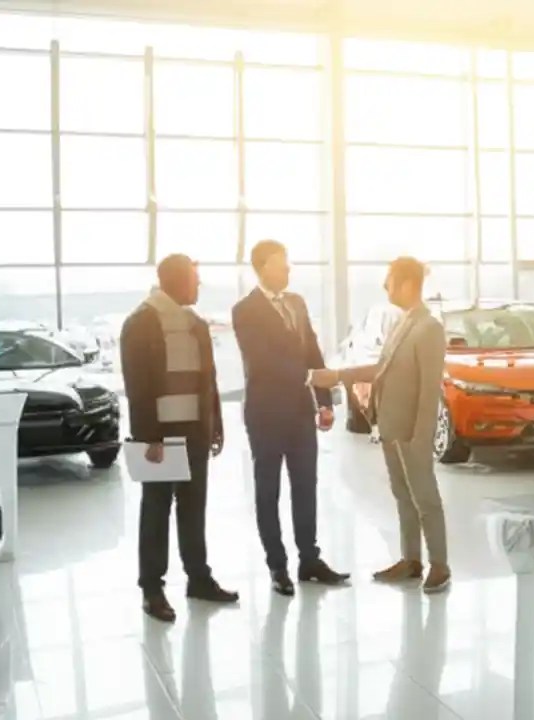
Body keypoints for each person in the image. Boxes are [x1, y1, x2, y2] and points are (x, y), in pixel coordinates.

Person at [309, 257, 451, 594]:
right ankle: (411, 559)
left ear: (407, 284)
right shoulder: (403, 323)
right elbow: (381, 369)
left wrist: (421, 437)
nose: (384, 286)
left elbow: (430, 390)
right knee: (402, 494)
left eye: (389, 280)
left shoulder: (429, 328)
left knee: (425, 498)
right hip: (390, 426)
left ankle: (440, 565)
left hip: (411, 432)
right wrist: (338, 377)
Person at [121, 254, 239, 622]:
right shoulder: (140, 322)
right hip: (160, 434)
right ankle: (152, 589)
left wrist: (214, 424)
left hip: (194, 431)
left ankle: (198, 579)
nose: (198, 285)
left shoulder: (194, 323)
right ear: (174, 281)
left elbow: (209, 381)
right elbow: (137, 386)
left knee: (193, 506)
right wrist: (149, 437)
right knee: (156, 509)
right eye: (193, 279)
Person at [232, 239, 350, 597]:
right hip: (266, 413)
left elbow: (312, 350)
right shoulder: (245, 310)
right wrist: (307, 377)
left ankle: (309, 560)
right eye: (282, 263)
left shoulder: (297, 303)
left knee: (305, 486)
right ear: (263, 266)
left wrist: (324, 400)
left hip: (300, 410)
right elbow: (262, 360)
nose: (288, 270)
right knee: (268, 490)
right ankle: (277, 565)